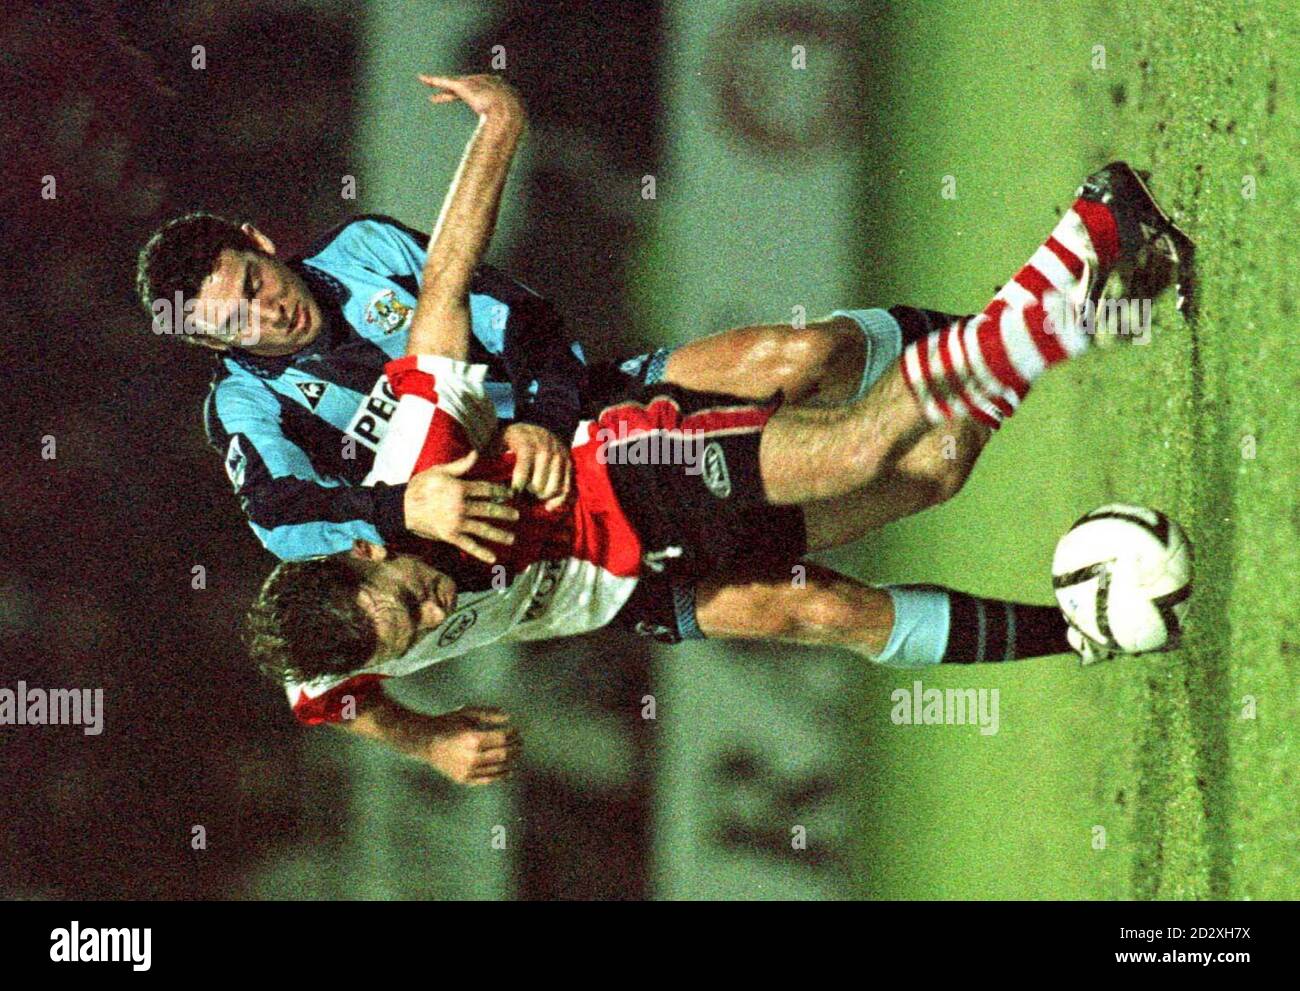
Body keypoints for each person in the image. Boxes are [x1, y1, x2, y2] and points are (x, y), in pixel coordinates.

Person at [245, 75, 1194, 785]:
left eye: (410, 598)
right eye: (408, 633)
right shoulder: (338, 651)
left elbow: (443, 292)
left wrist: (501, 126)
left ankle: (1089, 249)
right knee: (932, 472)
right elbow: (338, 705)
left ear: (367, 551)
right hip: (629, 584)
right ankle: (1089, 621)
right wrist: (435, 739)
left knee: (857, 436)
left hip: (632, 471)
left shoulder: (418, 468)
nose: (435, 616)